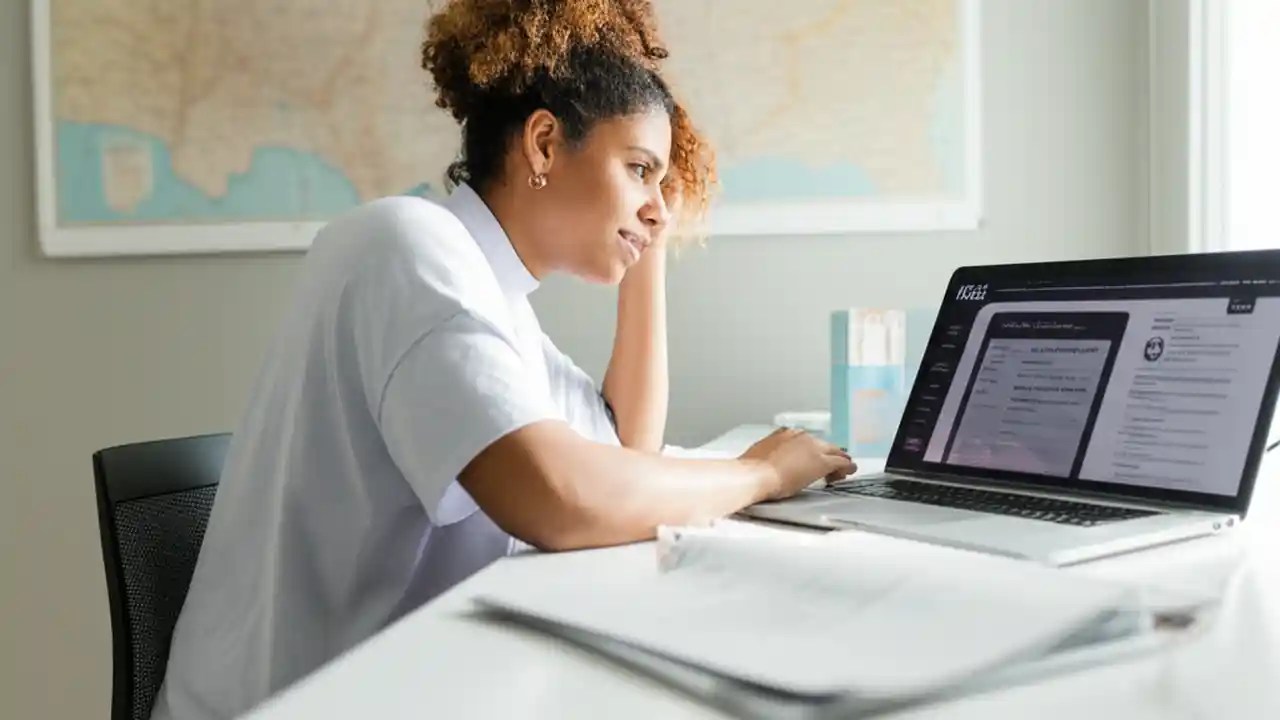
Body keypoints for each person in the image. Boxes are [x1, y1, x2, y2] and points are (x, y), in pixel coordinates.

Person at [151, 1, 854, 718]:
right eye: (640, 169)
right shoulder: (406, 246)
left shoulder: (497, 303)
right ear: (544, 143)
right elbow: (561, 498)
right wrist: (760, 473)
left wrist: (647, 251)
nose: (658, 206)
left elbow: (621, 454)